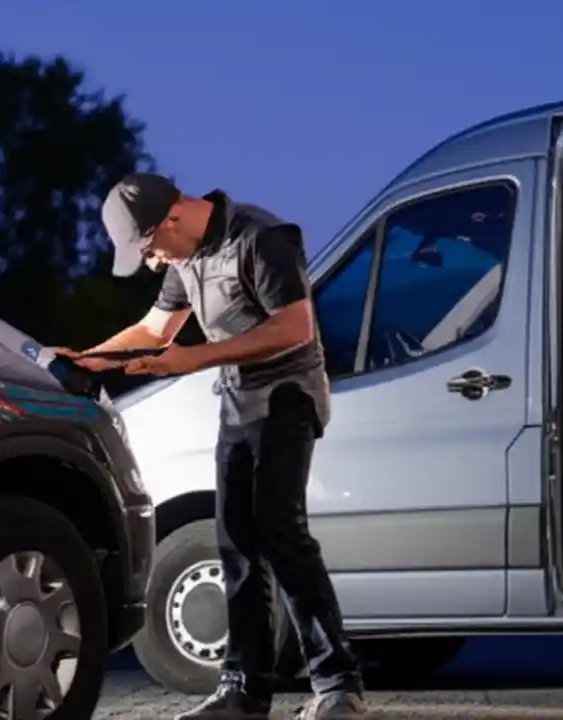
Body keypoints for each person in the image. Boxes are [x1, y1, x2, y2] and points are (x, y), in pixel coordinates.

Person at [57, 173, 367, 720]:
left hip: (288, 398)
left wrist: (194, 359)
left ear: (171, 219)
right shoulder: (186, 257)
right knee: (235, 543)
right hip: (238, 402)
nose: (152, 262)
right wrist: (89, 357)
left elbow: (294, 327)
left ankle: (338, 684)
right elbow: (155, 331)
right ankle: (244, 692)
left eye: (149, 248)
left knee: (279, 529)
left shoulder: (262, 238)